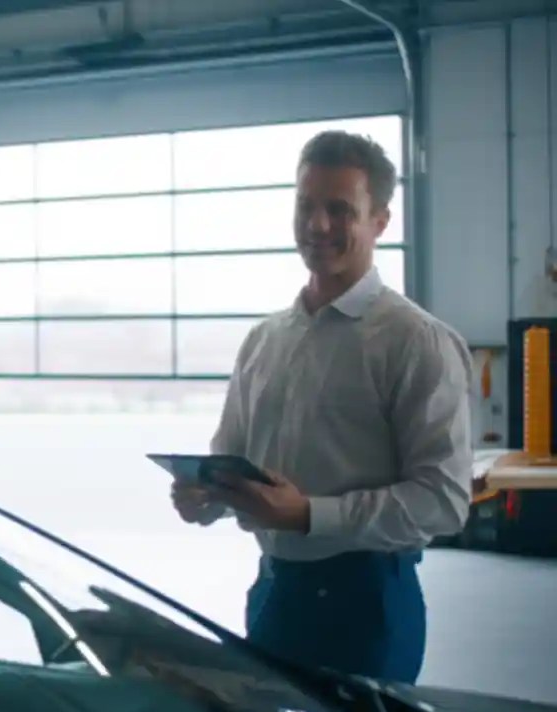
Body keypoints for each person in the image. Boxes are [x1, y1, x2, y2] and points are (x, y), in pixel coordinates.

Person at [171, 130, 473, 683]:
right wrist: (204, 495)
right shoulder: (264, 341)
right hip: (273, 593)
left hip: (368, 604)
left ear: (380, 220)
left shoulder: (415, 342)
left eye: (340, 210)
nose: (317, 226)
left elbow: (443, 501)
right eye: (306, 206)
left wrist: (308, 514)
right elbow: (231, 458)